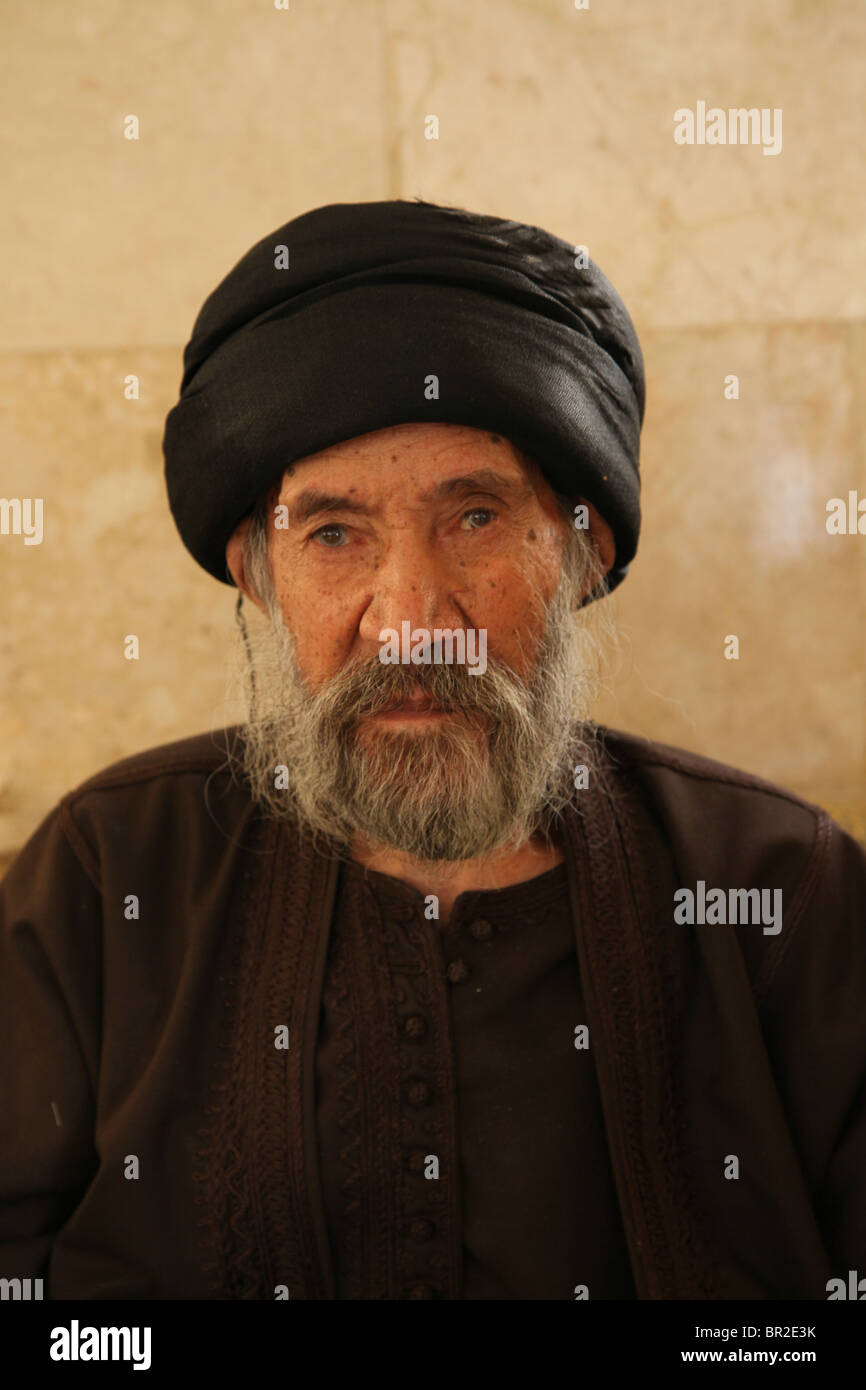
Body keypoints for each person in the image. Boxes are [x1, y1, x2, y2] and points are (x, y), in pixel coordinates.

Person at [0, 199, 863, 1301]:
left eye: (473, 519)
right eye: (332, 535)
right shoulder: (105, 875)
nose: (408, 618)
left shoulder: (783, 892)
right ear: (260, 576)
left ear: (580, 550)